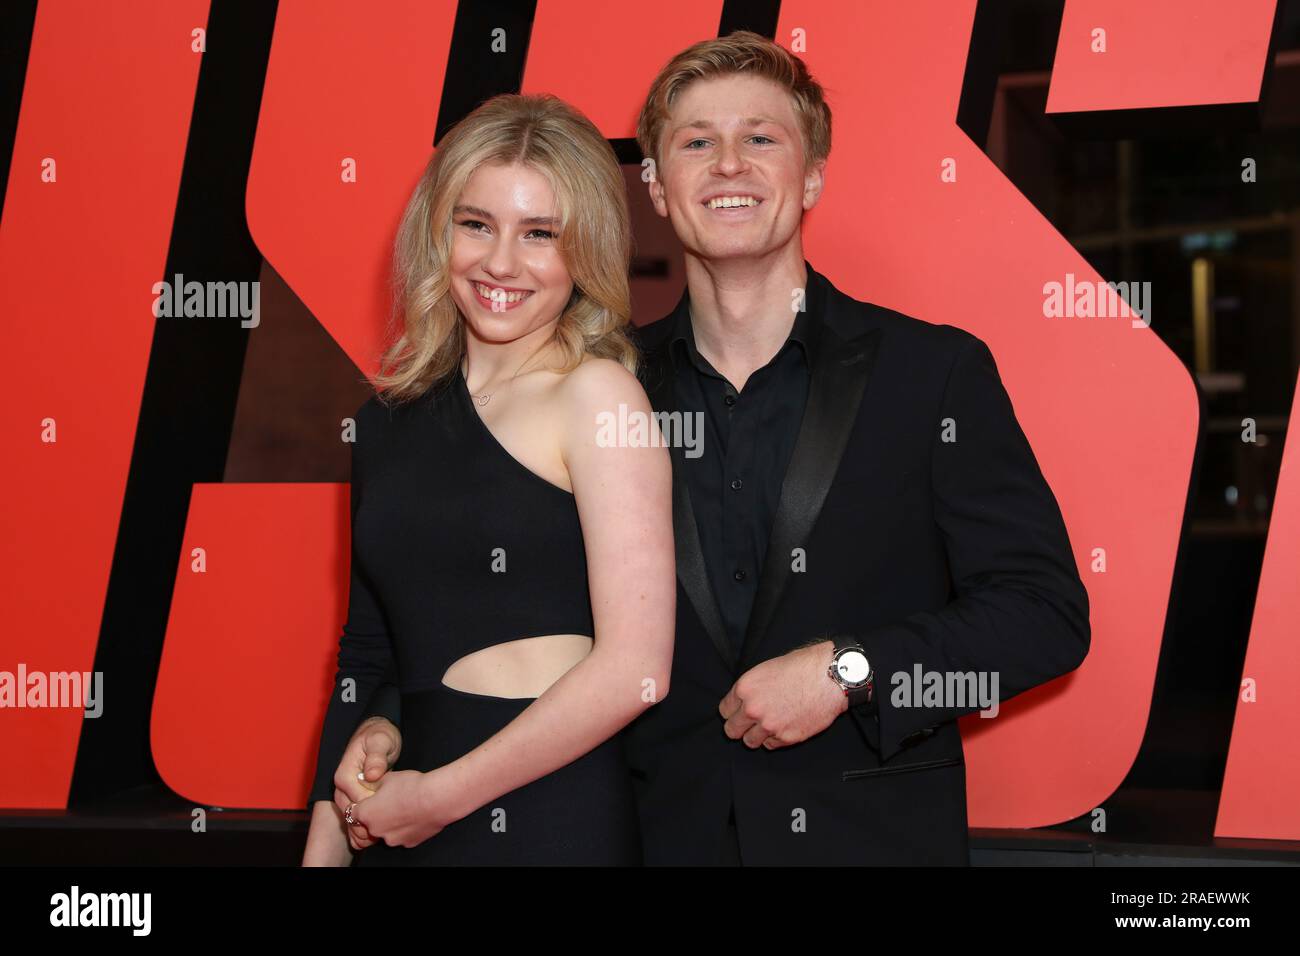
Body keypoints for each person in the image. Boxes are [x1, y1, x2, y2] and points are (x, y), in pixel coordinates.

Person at [334, 30, 1091, 866]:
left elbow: (1044, 618)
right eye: (697, 142)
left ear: (812, 174)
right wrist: (389, 719)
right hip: (651, 844)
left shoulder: (933, 375)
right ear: (655, 185)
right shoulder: (599, 386)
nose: (728, 164)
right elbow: (485, 597)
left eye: (760, 138)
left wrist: (849, 671)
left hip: (872, 846)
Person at [300, 92, 675, 866]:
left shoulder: (597, 396)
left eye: (540, 234)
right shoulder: (385, 423)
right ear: (439, 232)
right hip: (400, 813)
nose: (501, 262)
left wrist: (439, 798)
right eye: (477, 224)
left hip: (547, 814)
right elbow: (369, 656)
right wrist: (333, 835)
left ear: (587, 250)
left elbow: (638, 669)